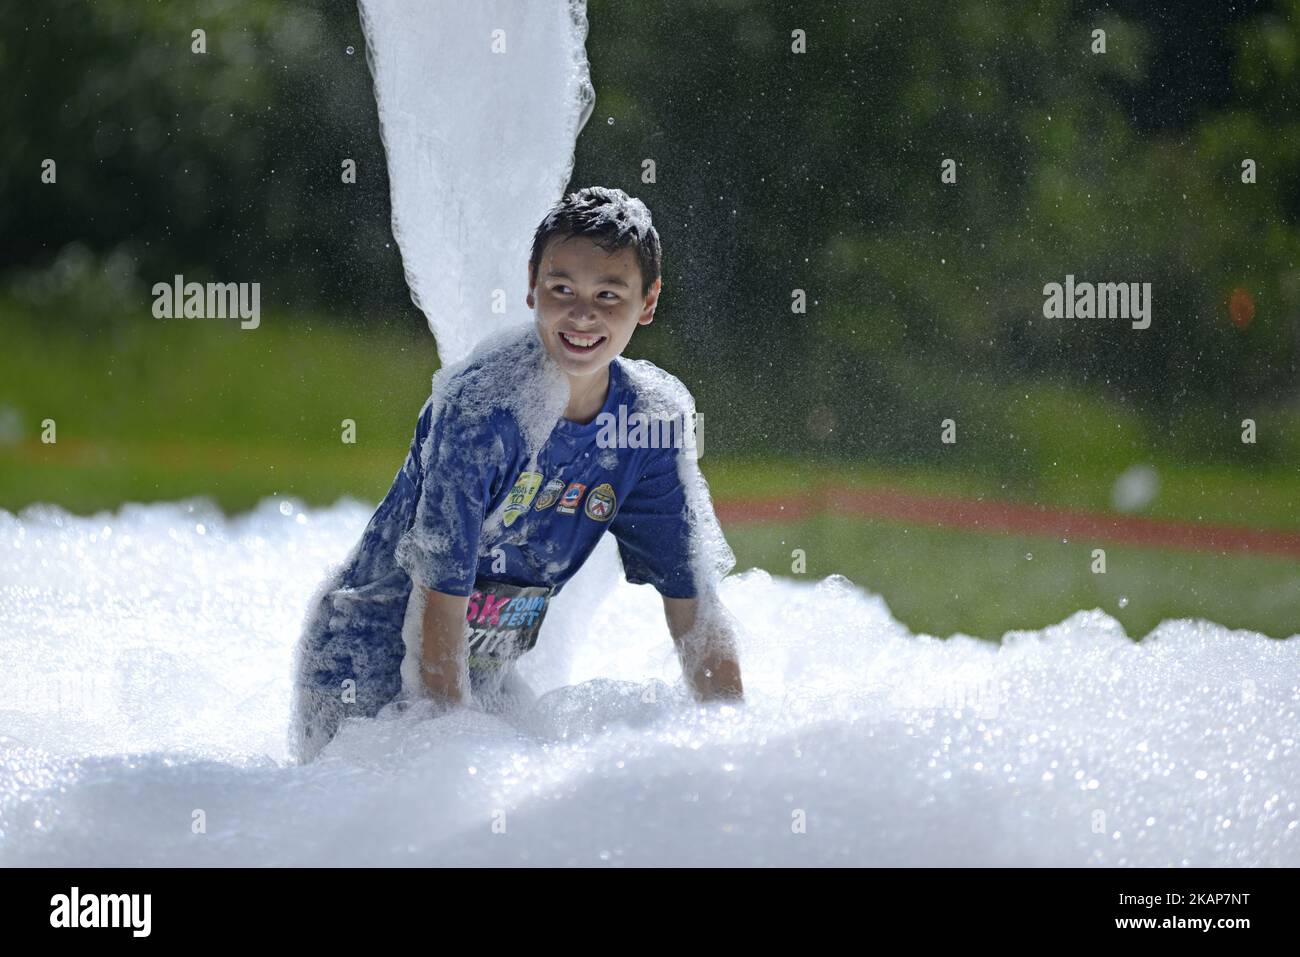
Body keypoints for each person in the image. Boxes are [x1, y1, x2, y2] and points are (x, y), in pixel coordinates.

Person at [290, 186, 743, 764]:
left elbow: (694, 609)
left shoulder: (646, 425)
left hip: (479, 674)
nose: (583, 314)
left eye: (609, 294)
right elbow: (438, 602)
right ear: (532, 285)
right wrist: (449, 759)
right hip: (365, 666)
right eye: (562, 290)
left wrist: (738, 754)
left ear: (648, 301)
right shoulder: (484, 408)